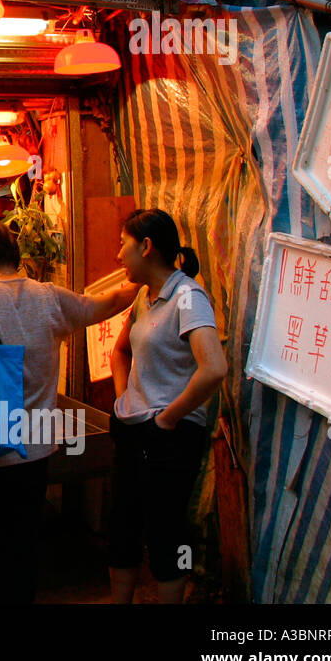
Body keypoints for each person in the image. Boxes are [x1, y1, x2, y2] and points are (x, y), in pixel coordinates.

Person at [0, 218, 137, 603]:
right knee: (17, 556)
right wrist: (151, 277)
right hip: (29, 457)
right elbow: (108, 303)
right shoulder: (50, 297)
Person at [108, 209, 227, 604]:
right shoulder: (145, 298)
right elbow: (119, 351)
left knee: (167, 531)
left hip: (171, 436)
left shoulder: (188, 297)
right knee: (122, 524)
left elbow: (214, 369)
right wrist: (126, 400)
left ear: (146, 247)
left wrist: (167, 418)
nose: (118, 256)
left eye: (123, 245)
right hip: (134, 427)